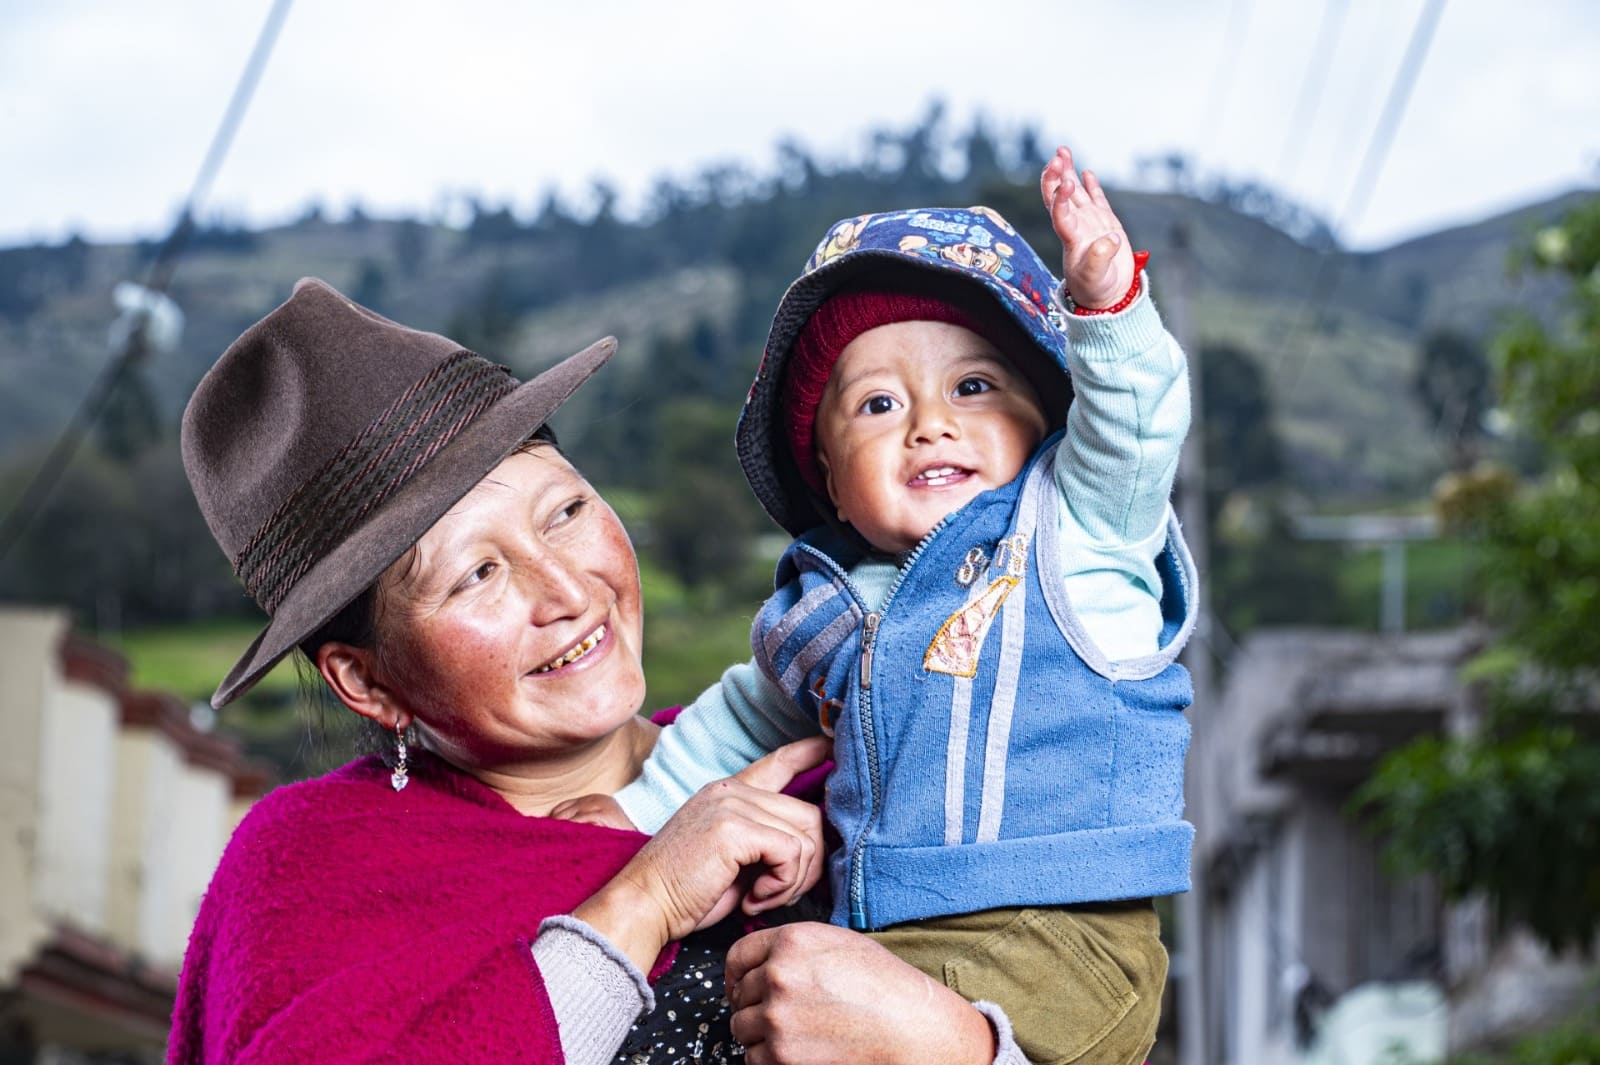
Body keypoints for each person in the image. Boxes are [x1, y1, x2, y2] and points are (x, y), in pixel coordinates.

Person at [168, 279, 1033, 1065]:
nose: (570, 591)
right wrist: (648, 896)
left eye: (567, 511)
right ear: (366, 682)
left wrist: (955, 1049)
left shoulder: (855, 753)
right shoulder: (311, 868)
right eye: (478, 573)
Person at [567, 146, 1199, 1065]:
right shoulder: (825, 607)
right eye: (876, 405)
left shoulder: (1078, 529)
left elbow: (1137, 426)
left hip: (1061, 935)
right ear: (830, 476)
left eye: (973, 387)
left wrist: (1108, 309)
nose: (929, 423)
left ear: (1047, 420)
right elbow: (738, 725)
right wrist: (632, 814)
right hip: (882, 940)